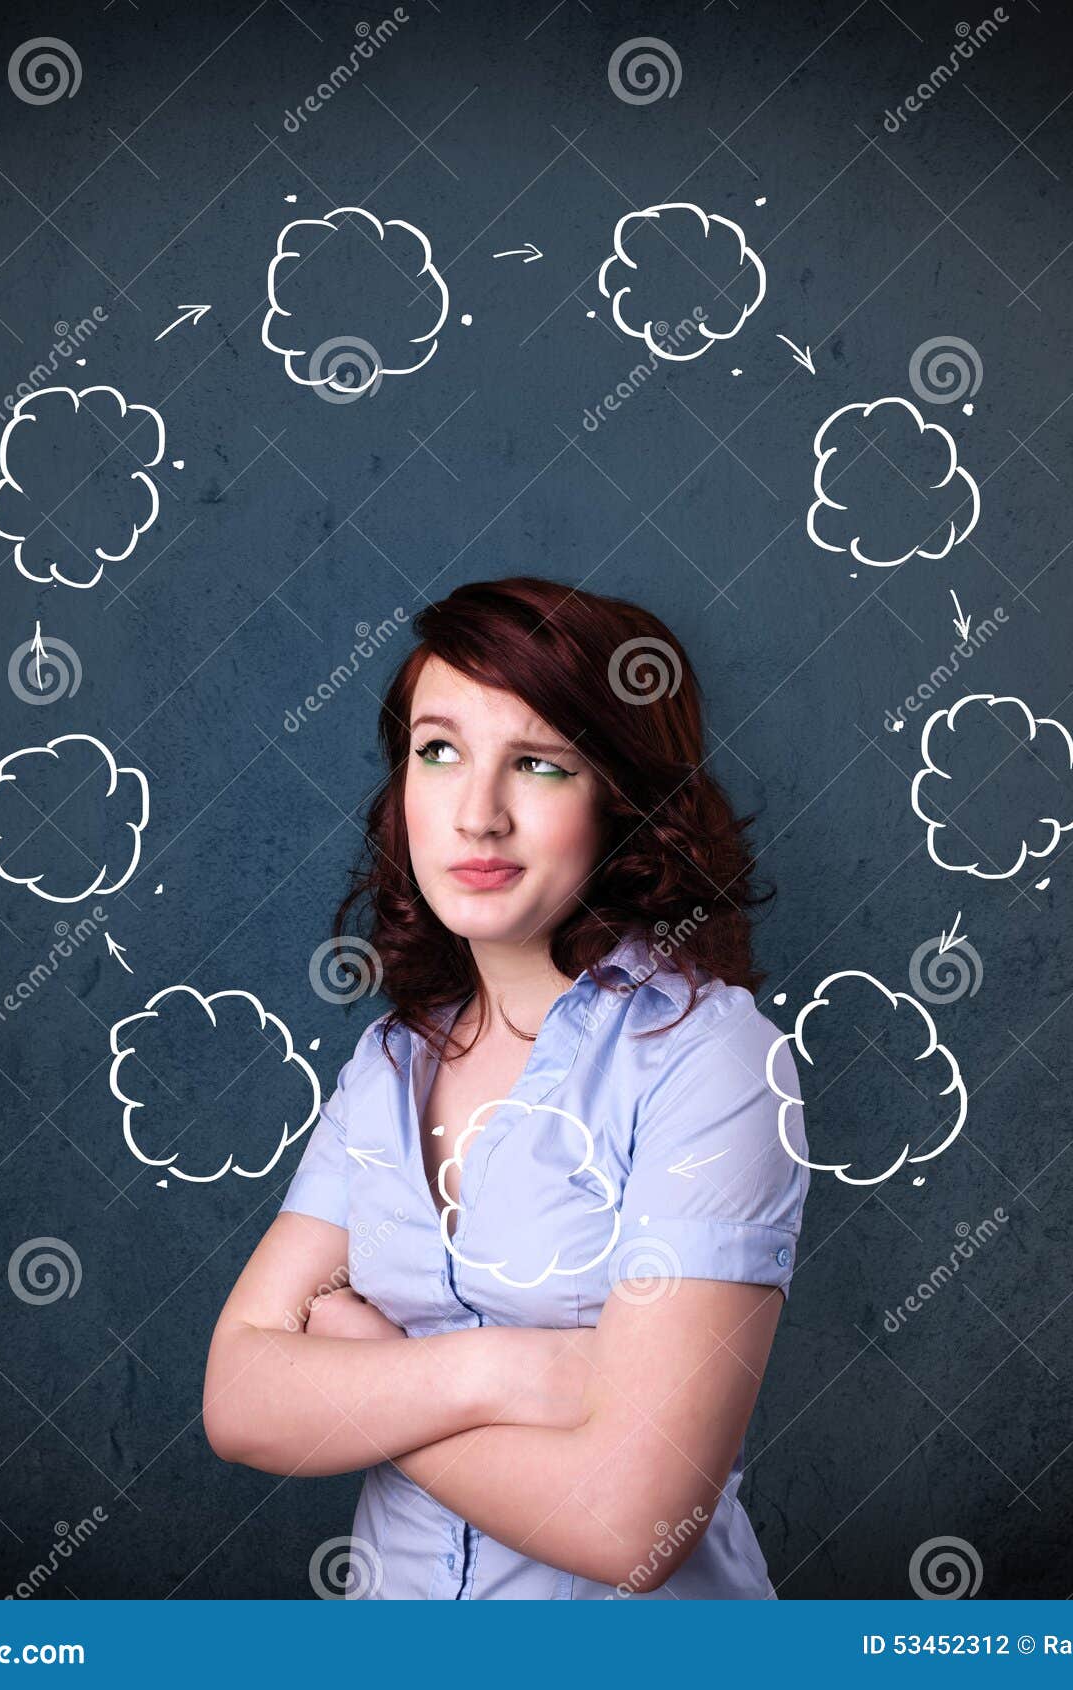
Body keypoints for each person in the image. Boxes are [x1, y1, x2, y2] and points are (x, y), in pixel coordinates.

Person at [203, 575, 809, 1599]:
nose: (476, 814)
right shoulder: (384, 1067)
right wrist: (508, 1371)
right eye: (439, 750)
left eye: (537, 763)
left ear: (619, 797)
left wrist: (369, 1383)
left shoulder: (711, 1059)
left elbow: (634, 1528)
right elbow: (239, 1401)